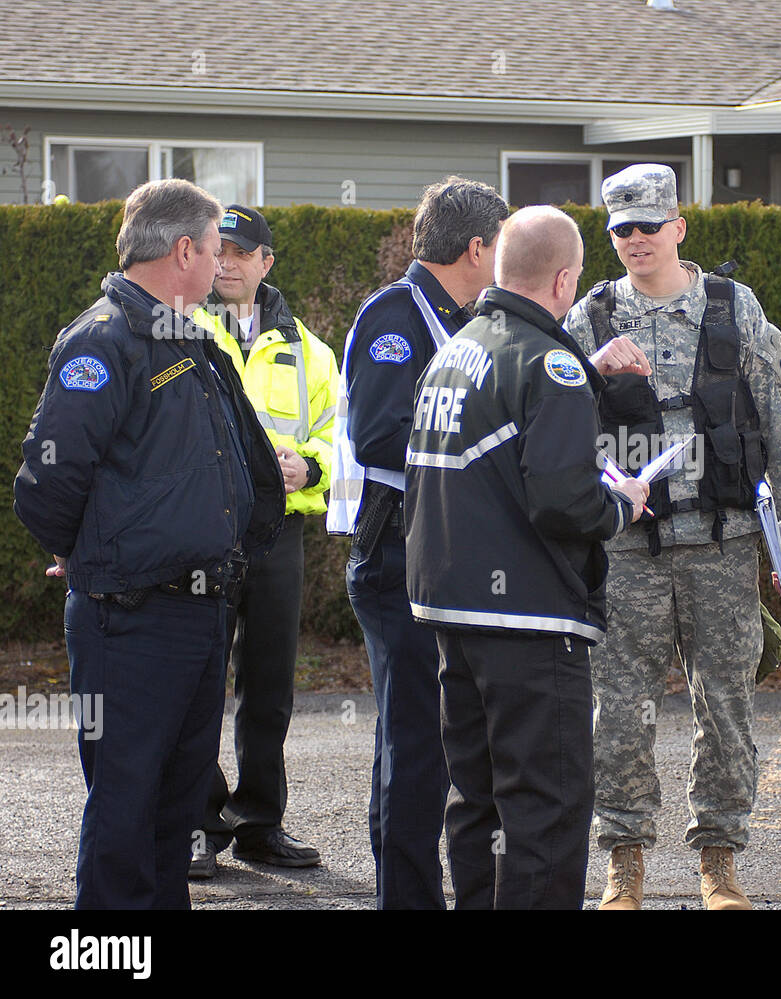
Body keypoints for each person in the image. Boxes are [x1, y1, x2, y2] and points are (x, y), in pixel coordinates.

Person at [13, 178, 284, 908]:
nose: (224, 262)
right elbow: (44, 484)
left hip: (198, 614)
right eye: (216, 247)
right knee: (126, 813)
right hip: (130, 618)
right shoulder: (103, 339)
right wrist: (96, 553)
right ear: (184, 249)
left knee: (175, 811)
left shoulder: (189, 337)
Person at [565, 163, 781, 910]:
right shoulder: (591, 316)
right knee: (619, 709)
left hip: (723, 541)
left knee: (729, 705)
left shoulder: (733, 307)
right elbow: (553, 418)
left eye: (650, 225)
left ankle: (720, 860)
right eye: (622, 229)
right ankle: (625, 862)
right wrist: (588, 369)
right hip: (627, 550)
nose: (637, 240)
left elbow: (777, 420)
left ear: (679, 226)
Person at [404, 206, 650, 908]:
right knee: (546, 805)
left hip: (452, 608)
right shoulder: (550, 364)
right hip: (530, 619)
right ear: (565, 279)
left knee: (477, 802)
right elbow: (564, 501)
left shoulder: (456, 347)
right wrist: (624, 504)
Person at [328, 177, 507, 908]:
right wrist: (484, 455)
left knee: (430, 741)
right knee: (415, 746)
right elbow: (378, 436)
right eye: (499, 246)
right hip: (396, 559)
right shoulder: (394, 317)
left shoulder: (465, 317)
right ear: (475, 247)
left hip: (438, 558)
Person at [187, 205, 339, 877]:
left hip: (278, 535)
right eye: (216, 249)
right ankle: (196, 821)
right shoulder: (179, 333)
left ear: (266, 262)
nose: (226, 262)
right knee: (193, 683)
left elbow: (339, 430)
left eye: (240, 251)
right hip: (200, 533)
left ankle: (258, 823)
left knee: (269, 685)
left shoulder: (309, 349)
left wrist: (312, 465)